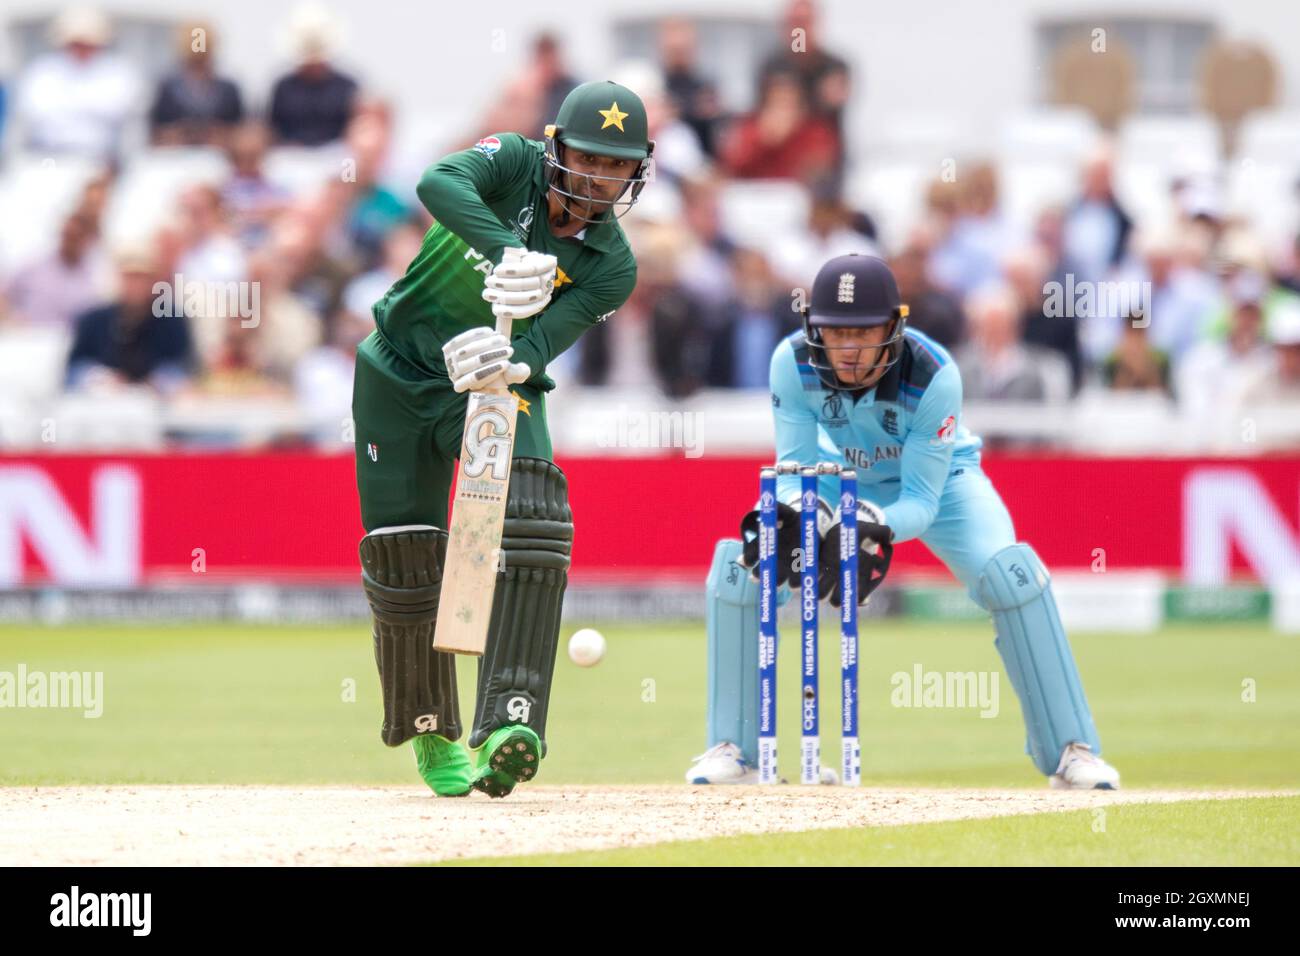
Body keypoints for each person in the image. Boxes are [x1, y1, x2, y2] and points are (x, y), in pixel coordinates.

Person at [688, 254, 1121, 790]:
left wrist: (861, 521)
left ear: (893, 327)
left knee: (1012, 575)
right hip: (832, 472)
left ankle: (1070, 752)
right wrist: (807, 515)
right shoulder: (791, 362)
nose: (847, 348)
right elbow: (794, 469)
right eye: (834, 332)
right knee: (744, 563)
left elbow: (920, 499)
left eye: (864, 331)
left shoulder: (933, 372)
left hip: (941, 482)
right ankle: (735, 749)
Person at [352, 80, 650, 798]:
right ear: (557, 147)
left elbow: (546, 340)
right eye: (589, 157)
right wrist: (506, 249)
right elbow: (436, 180)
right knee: (406, 557)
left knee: (537, 520)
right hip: (396, 372)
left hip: (493, 384)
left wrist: (513, 360)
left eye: (618, 165)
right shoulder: (512, 162)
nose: (601, 176)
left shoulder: (612, 265)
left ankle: (514, 717)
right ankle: (430, 730)